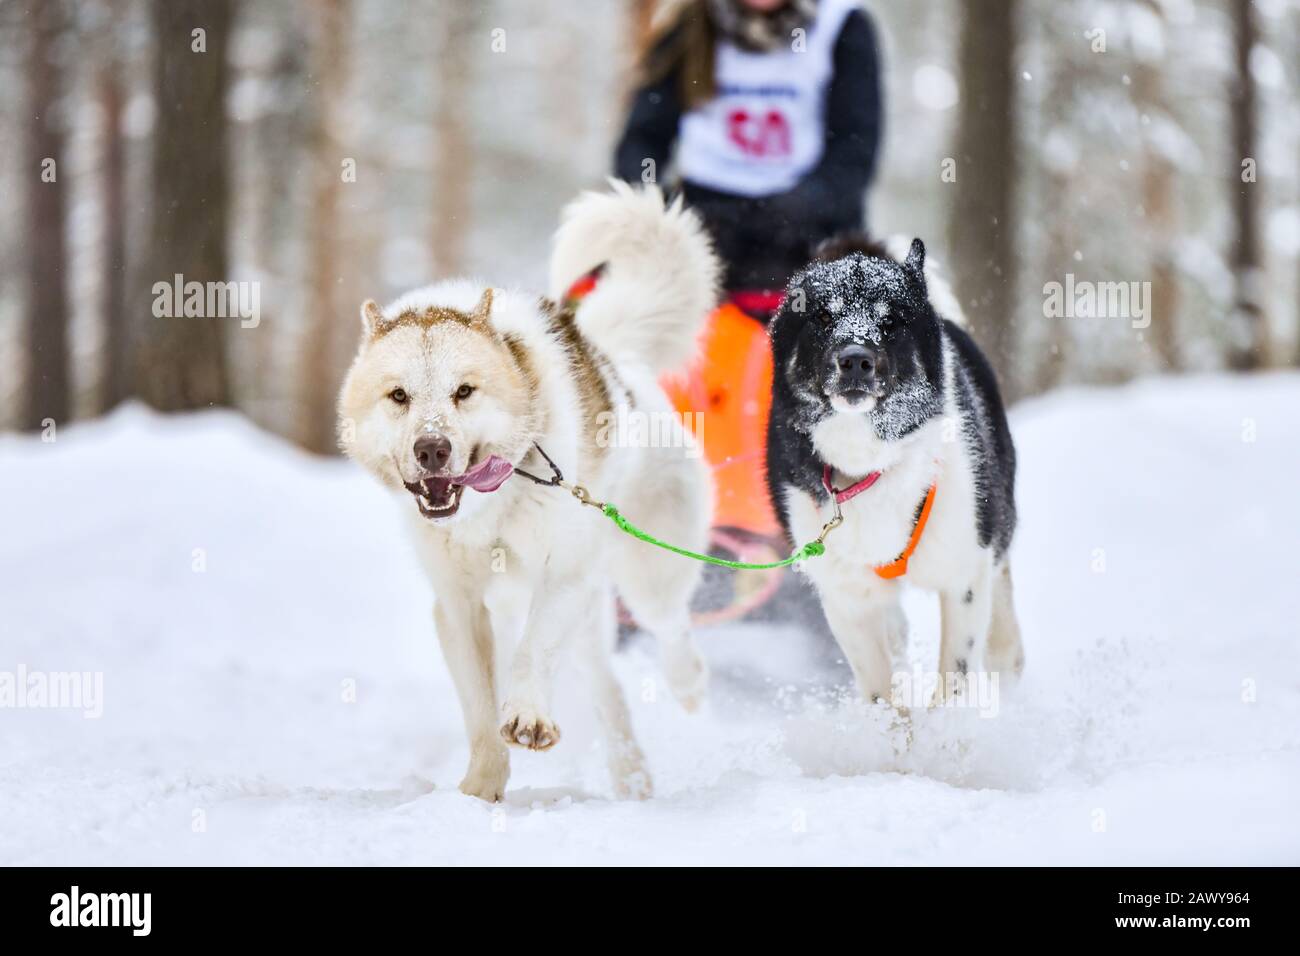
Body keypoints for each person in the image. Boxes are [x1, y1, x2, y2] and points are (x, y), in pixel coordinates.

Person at [615, 0, 883, 308]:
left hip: (806, 238)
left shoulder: (842, 24)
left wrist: (779, 215)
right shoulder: (690, 22)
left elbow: (852, 159)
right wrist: (653, 204)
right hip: (703, 229)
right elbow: (642, 139)